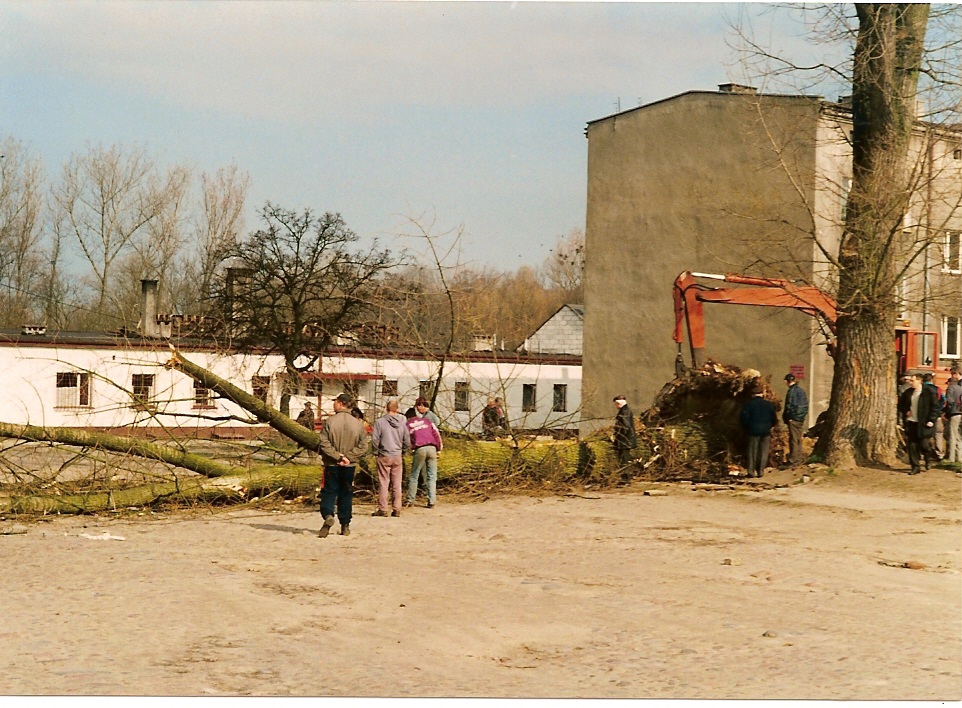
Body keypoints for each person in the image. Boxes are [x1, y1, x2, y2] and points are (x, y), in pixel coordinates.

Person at [316, 393, 369, 538]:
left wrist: (337, 456)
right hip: (349, 466)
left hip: (331, 464)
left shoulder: (329, 422)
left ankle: (328, 515)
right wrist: (349, 457)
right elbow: (363, 446)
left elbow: (324, 443)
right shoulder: (358, 424)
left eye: (335, 402)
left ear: (340, 403)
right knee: (346, 493)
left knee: (329, 492)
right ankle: (345, 525)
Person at [371, 400, 411, 518]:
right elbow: (407, 440)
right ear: (397, 409)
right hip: (397, 455)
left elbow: (375, 440)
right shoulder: (403, 423)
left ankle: (383, 508)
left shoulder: (380, 422)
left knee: (384, 482)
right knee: (397, 483)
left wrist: (375, 451)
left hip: (384, 454)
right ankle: (397, 508)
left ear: (385, 408)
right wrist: (403, 451)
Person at [898, 372, 940, 474]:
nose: (910, 383)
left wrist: (931, 420)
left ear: (919, 380)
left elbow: (935, 407)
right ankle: (915, 467)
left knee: (924, 445)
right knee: (912, 445)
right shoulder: (908, 393)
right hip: (912, 421)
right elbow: (901, 405)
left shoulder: (928, 392)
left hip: (924, 422)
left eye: (913, 380)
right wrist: (906, 410)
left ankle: (927, 458)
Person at [404, 406, 443, 508]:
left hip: (420, 448)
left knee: (414, 475)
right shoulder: (427, 421)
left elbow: (407, 439)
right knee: (432, 476)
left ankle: (410, 499)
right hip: (432, 448)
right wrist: (439, 449)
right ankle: (431, 501)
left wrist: (411, 449)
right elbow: (436, 434)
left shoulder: (408, 425)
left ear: (407, 417)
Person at [739, 384, 778, 478]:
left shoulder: (749, 405)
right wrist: (769, 426)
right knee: (763, 452)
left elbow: (743, 418)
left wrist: (747, 427)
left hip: (753, 431)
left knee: (752, 452)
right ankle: (760, 471)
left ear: (753, 395)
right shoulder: (769, 405)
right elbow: (774, 419)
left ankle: (751, 472)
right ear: (762, 394)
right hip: (766, 431)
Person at [782, 373, 809, 465]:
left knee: (793, 439)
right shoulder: (800, 391)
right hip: (800, 419)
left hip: (793, 419)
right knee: (798, 438)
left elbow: (789, 406)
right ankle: (798, 457)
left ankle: (793, 459)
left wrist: (790, 418)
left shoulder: (792, 391)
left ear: (787, 381)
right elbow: (804, 406)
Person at [612, 396, 637, 477]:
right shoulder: (625, 411)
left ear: (618, 403)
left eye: (615, 404)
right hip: (625, 440)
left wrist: (618, 433)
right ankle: (625, 477)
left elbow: (625, 426)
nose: (615, 406)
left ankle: (626, 479)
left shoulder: (624, 412)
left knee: (624, 460)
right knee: (623, 460)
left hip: (625, 441)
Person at [944, 369, 962, 463]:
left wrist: (947, 412)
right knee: (958, 435)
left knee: (951, 435)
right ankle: (959, 457)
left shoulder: (951, 388)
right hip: (960, 413)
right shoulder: (960, 388)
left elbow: (949, 401)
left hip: (954, 413)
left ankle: (951, 458)